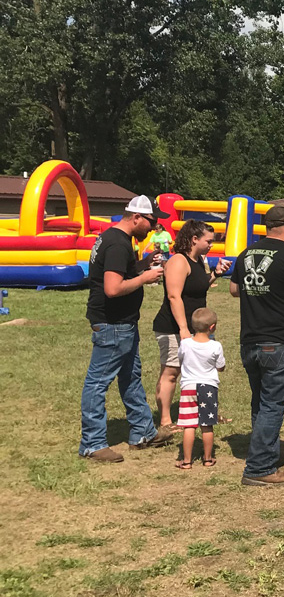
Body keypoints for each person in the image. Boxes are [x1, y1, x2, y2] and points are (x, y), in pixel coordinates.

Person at [230, 203, 284, 486]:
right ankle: (259, 469)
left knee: (261, 401)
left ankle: (264, 453)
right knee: (272, 405)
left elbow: (234, 289)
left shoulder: (246, 254)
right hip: (280, 342)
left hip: (251, 341)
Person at [79, 196, 173, 462]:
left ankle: (143, 432)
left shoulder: (113, 239)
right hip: (112, 324)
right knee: (98, 383)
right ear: (136, 218)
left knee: (131, 378)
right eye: (152, 222)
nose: (154, 228)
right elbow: (112, 288)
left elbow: (118, 273)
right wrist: (144, 277)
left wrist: (140, 266)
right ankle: (93, 443)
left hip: (122, 323)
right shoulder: (119, 244)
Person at [152, 220, 232, 434]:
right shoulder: (179, 261)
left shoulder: (197, 260)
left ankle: (206, 413)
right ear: (194, 239)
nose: (211, 245)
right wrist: (183, 329)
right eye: (208, 241)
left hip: (197, 327)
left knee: (203, 371)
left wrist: (215, 274)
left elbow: (198, 287)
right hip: (174, 326)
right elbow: (173, 295)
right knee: (171, 372)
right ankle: (166, 421)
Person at [175, 308, 226, 469]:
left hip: (188, 386)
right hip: (208, 387)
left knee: (188, 425)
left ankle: (187, 461)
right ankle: (208, 459)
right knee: (207, 424)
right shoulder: (215, 346)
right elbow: (221, 366)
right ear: (212, 327)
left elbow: (181, 358)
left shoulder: (185, 343)